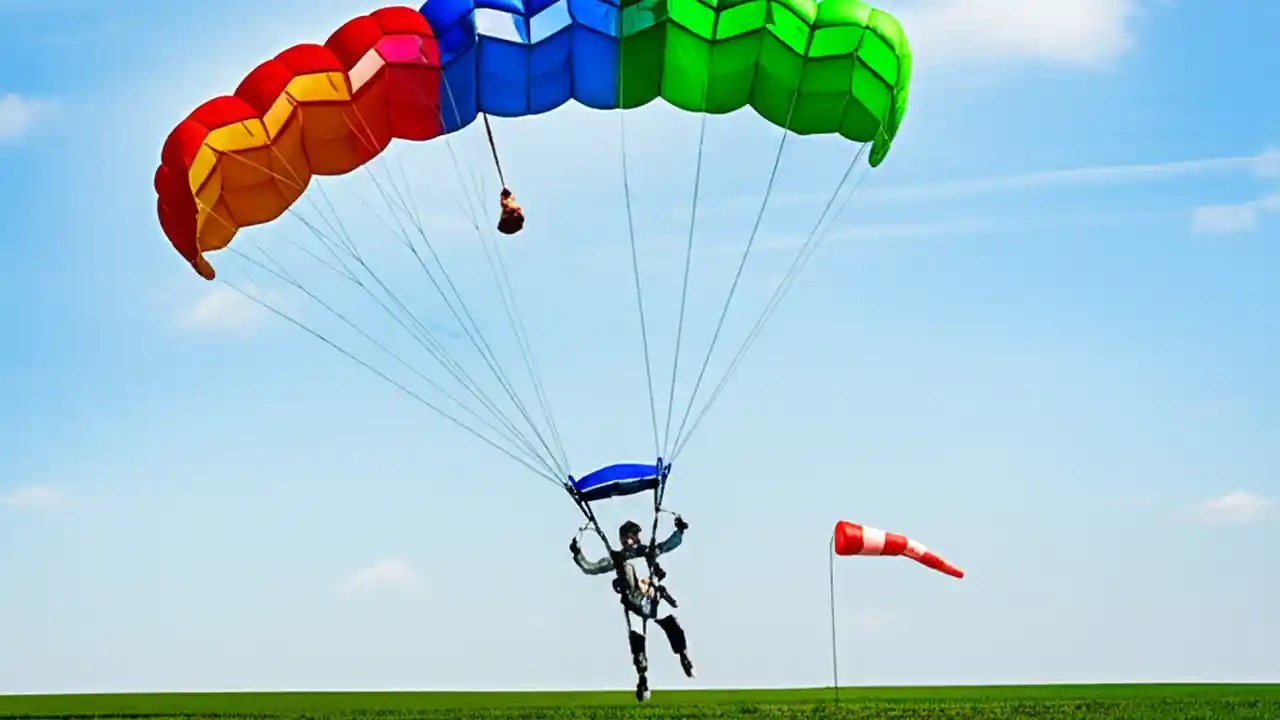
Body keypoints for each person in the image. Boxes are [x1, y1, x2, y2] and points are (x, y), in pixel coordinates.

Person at [570, 516, 695, 701]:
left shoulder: (639, 554)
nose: (624, 540)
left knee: (665, 629)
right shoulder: (627, 556)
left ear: (633, 537)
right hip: (642, 601)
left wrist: (680, 531)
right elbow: (592, 568)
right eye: (623, 537)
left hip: (647, 600)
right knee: (643, 640)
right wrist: (577, 554)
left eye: (627, 536)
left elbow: (670, 543)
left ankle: (681, 657)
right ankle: (644, 677)